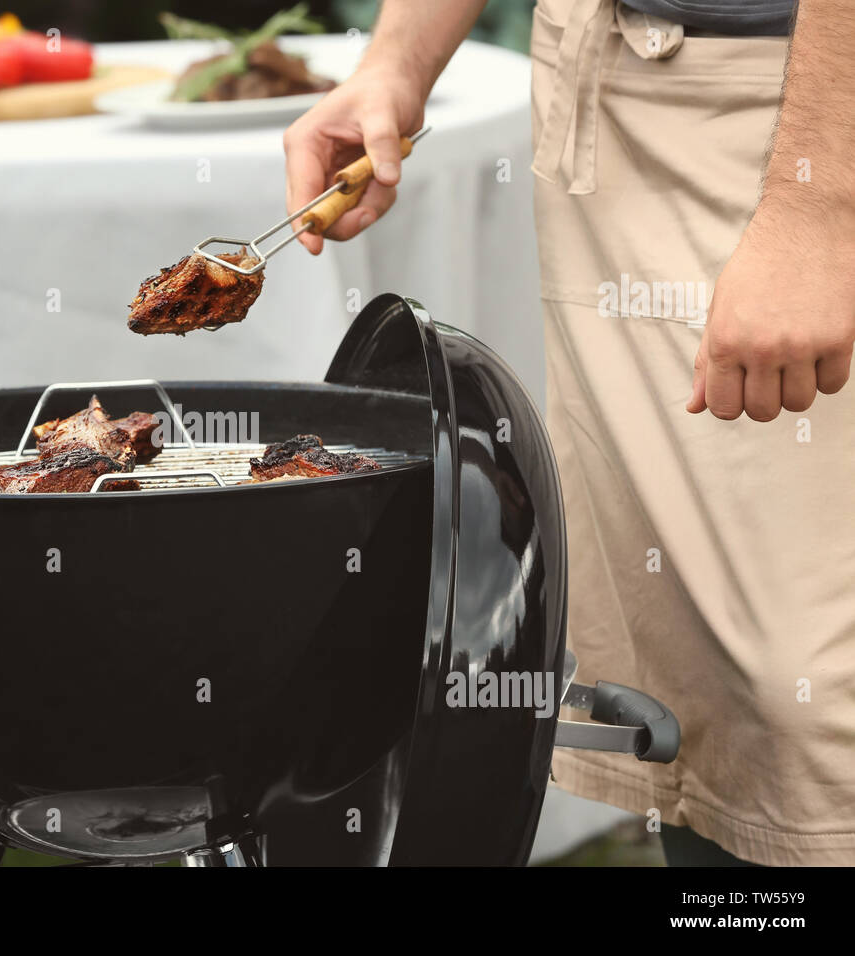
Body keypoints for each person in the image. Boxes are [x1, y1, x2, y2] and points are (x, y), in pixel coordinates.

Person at [284, 0, 855, 866]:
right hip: (610, 90)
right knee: (705, 704)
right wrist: (397, 59)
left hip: (799, 109)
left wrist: (818, 203)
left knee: (812, 712)